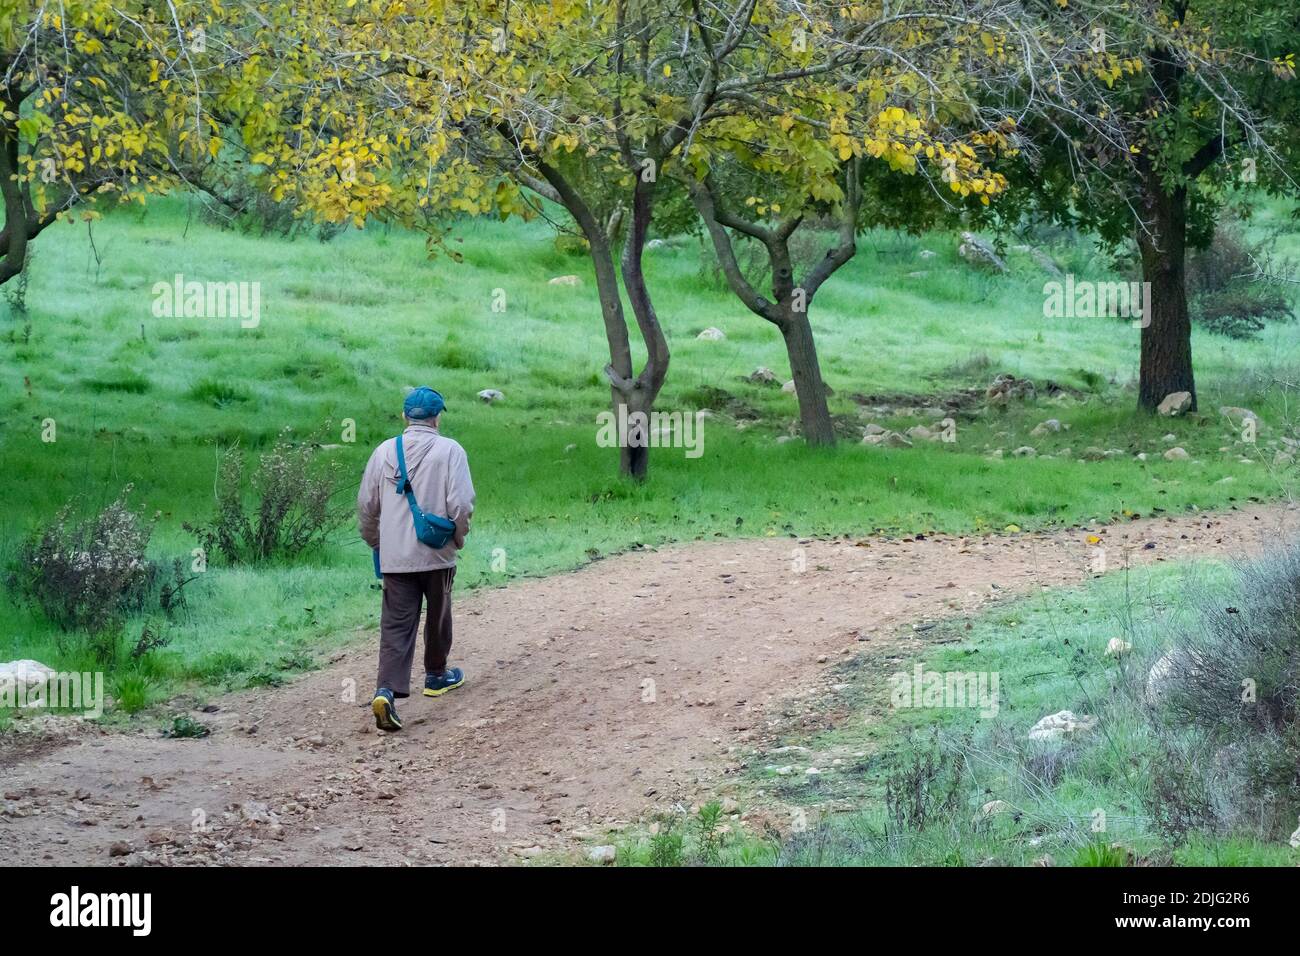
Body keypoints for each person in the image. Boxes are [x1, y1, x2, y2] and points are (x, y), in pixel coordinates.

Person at [357, 386, 475, 731]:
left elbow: (367, 506)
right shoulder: (450, 450)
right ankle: (436, 675)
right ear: (437, 417)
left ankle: (385, 691)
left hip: (396, 557)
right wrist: (457, 538)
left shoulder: (383, 452)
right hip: (437, 554)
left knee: (395, 624)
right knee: (438, 615)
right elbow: (462, 504)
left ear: (405, 416)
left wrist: (378, 543)